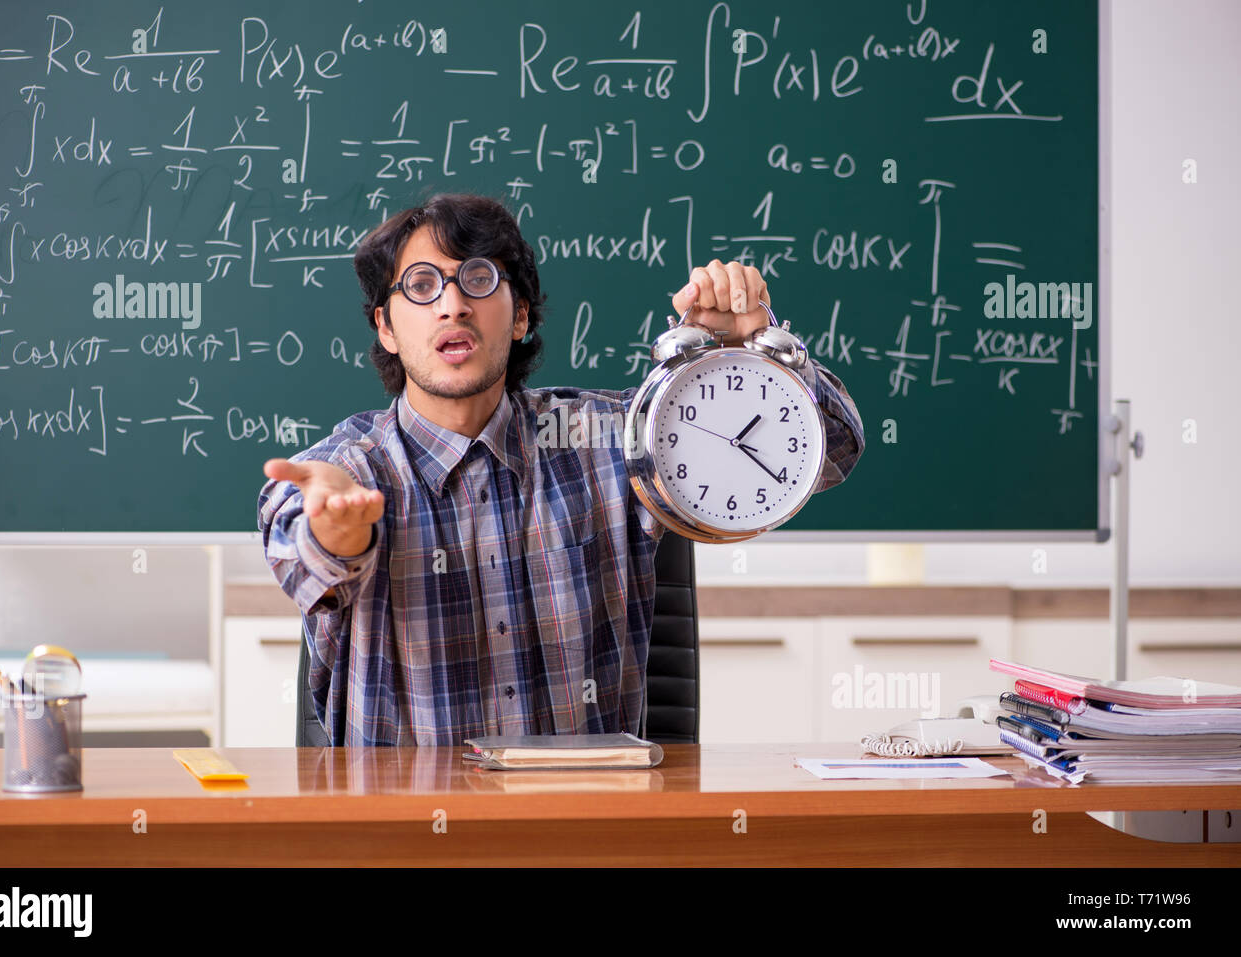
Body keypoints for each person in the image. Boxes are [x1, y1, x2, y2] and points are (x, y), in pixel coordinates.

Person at [257, 193, 865, 746]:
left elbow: (832, 450)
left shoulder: (616, 440)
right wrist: (337, 533)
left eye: (478, 279)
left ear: (520, 317)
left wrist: (754, 347)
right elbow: (301, 550)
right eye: (421, 286)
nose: (453, 305)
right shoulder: (350, 468)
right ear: (386, 329)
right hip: (410, 825)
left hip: (585, 819)